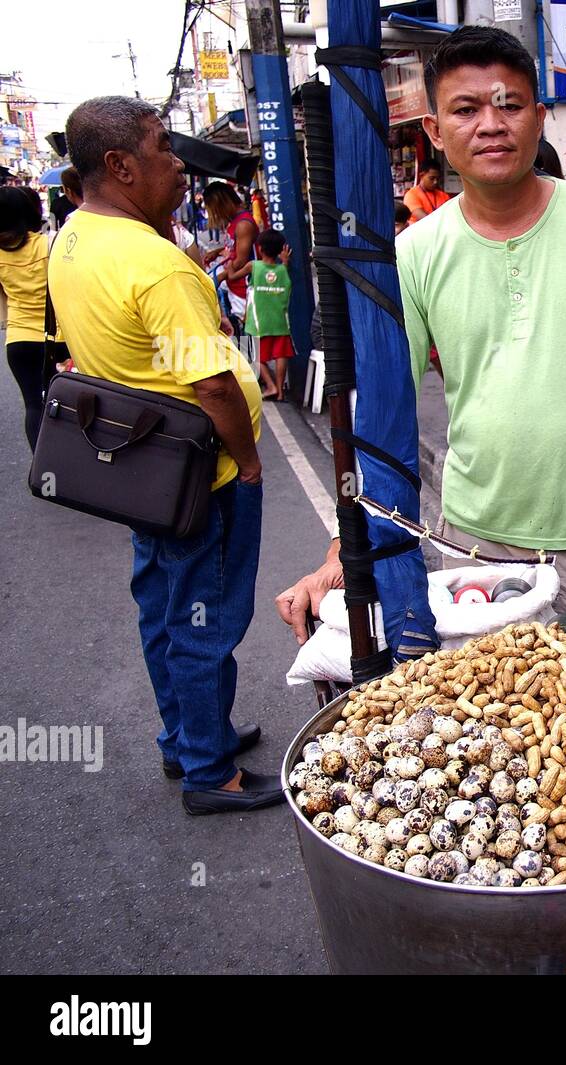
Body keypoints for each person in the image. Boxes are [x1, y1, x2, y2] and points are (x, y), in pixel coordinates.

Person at [277, 26, 566, 647]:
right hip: (477, 541)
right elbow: (385, 410)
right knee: (498, 725)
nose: (491, 124)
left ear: (540, 118)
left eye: (510, 104)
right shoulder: (414, 252)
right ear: (437, 132)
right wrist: (345, 543)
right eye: (466, 109)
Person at [47, 96, 275, 815]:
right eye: (162, 149)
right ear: (119, 165)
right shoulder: (155, 262)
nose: (177, 164)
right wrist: (250, 461)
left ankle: (188, 736)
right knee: (204, 617)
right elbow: (209, 382)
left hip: (143, 472)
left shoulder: (74, 238)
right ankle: (212, 772)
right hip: (199, 473)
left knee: (163, 607)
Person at [0, 186, 70, 449]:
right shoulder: (51, 243)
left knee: (33, 404)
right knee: (68, 403)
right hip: (58, 338)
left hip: (18, 342)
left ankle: (44, 468)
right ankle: (75, 465)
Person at [202, 181, 258, 330]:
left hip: (245, 289)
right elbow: (235, 248)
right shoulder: (236, 222)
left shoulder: (243, 225)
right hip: (237, 289)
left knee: (249, 338)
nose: (215, 214)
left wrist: (219, 277)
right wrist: (218, 251)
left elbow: (240, 261)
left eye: (215, 210)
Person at [246, 228, 294, 401]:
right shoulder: (283, 270)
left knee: (254, 356)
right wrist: (285, 261)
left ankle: (271, 385)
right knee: (281, 355)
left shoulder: (254, 266)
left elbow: (233, 274)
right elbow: (283, 272)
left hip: (260, 323)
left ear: (260, 248)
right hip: (280, 322)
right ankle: (280, 391)